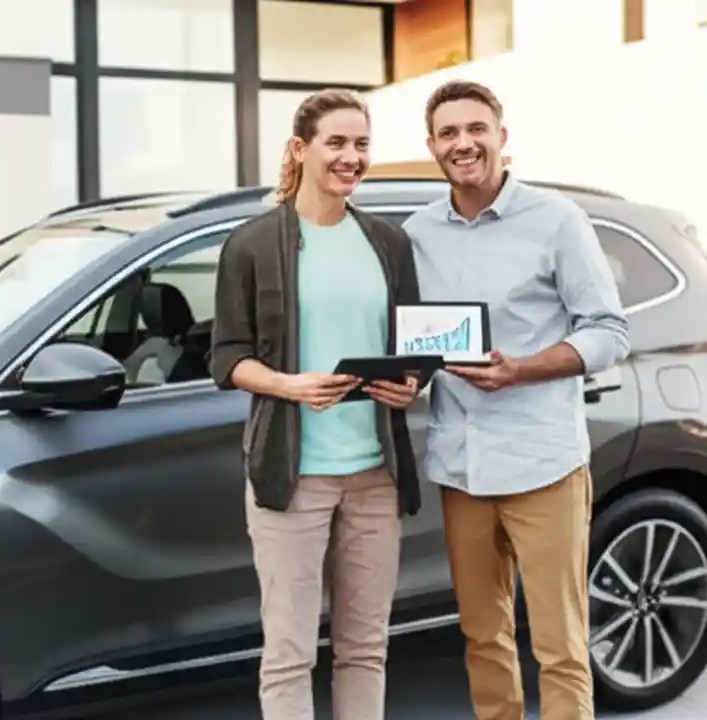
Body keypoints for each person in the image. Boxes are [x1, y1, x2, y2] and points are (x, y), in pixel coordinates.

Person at [401, 80, 631, 720]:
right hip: (461, 464)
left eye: (476, 129)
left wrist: (522, 369)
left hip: (542, 463)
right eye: (449, 133)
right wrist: (407, 379)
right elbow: (424, 342)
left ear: (502, 136)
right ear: (432, 147)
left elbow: (610, 331)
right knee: (482, 637)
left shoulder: (556, 220)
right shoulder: (418, 233)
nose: (463, 143)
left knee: (559, 646)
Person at [210, 88, 425, 720]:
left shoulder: (389, 244)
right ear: (301, 149)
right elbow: (227, 357)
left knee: (365, 648)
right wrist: (289, 385)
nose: (351, 157)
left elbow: (413, 350)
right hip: (292, 475)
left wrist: (412, 384)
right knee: (288, 651)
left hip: (373, 477)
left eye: (361, 144)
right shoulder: (251, 244)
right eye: (337, 142)